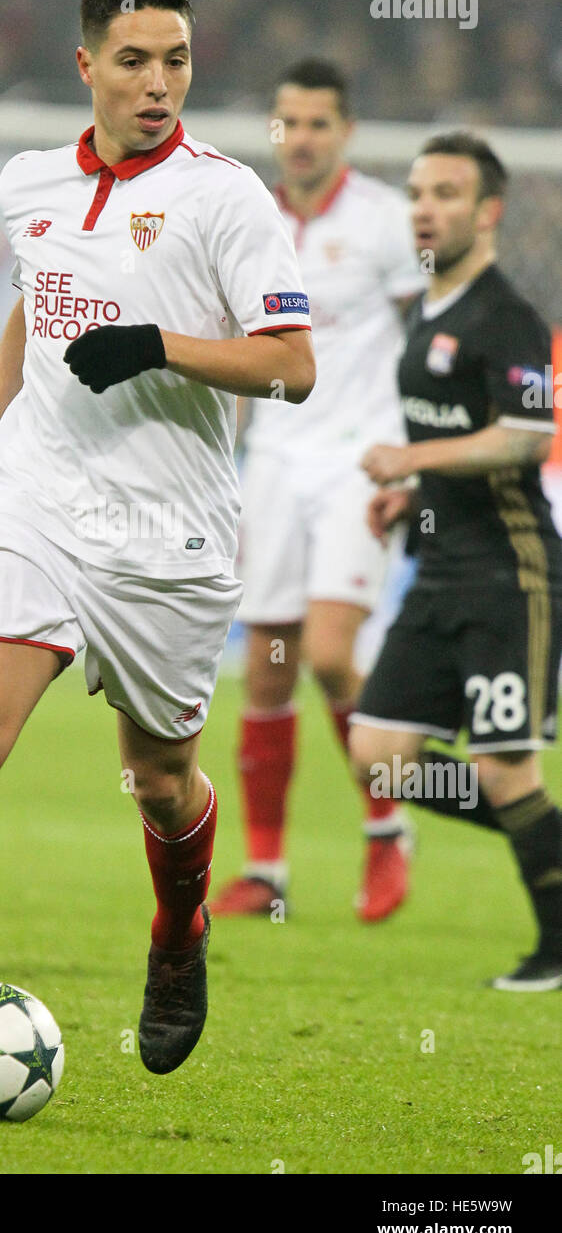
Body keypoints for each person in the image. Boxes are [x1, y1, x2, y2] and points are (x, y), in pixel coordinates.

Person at [0, 0, 315, 1092]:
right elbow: (39, 292)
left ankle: (178, 929)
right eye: (133, 61)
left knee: (160, 781)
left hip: (170, 535)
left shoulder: (226, 199)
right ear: (86, 66)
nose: (158, 83)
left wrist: (158, 345)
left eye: (177, 61)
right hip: (41, 499)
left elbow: (292, 366)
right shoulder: (29, 183)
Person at [210, 61, 424, 922]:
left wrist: (416, 459)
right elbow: (238, 351)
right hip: (273, 460)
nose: (300, 139)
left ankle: (387, 827)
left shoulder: (385, 221)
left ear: (346, 132)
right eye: (288, 122)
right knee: (267, 667)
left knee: (331, 654)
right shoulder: (249, 219)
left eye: (317, 123)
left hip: (359, 464)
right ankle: (267, 873)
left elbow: (424, 342)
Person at [351, 132, 562, 991]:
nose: (424, 210)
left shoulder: (506, 317)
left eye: (445, 194)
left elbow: (528, 434)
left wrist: (412, 461)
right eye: (416, 194)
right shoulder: (428, 312)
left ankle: (555, 947)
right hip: (438, 570)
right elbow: (458, 437)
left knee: (506, 767)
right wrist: (414, 496)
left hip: (510, 574)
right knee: (378, 753)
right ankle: (544, 834)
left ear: (488, 211)